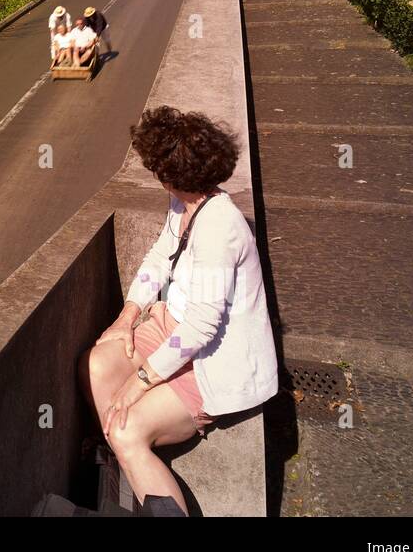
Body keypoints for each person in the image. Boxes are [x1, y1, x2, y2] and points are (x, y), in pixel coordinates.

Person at [81, 106, 278, 516]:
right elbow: (160, 256)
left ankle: (129, 451)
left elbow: (202, 328)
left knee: (127, 427)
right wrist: (126, 319)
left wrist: (139, 382)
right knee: (96, 365)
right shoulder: (186, 203)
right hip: (176, 324)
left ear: (170, 174)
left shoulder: (218, 229)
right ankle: (123, 463)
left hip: (214, 358)